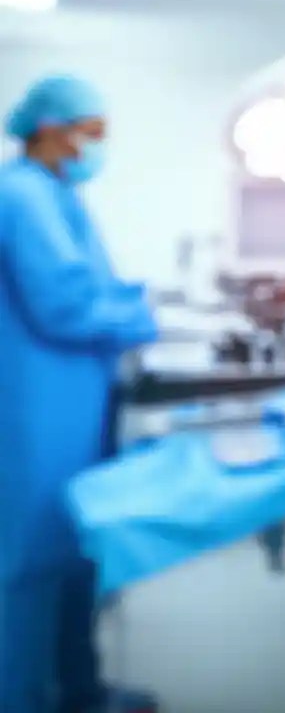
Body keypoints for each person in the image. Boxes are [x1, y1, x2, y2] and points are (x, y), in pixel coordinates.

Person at [0, 76, 161, 713]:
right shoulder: (20, 196)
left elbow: (91, 283)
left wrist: (137, 301)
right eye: (91, 134)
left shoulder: (54, 193)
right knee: (34, 566)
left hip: (72, 402)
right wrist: (144, 319)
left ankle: (79, 691)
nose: (96, 148)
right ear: (49, 128)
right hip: (36, 415)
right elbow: (65, 305)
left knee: (74, 555)